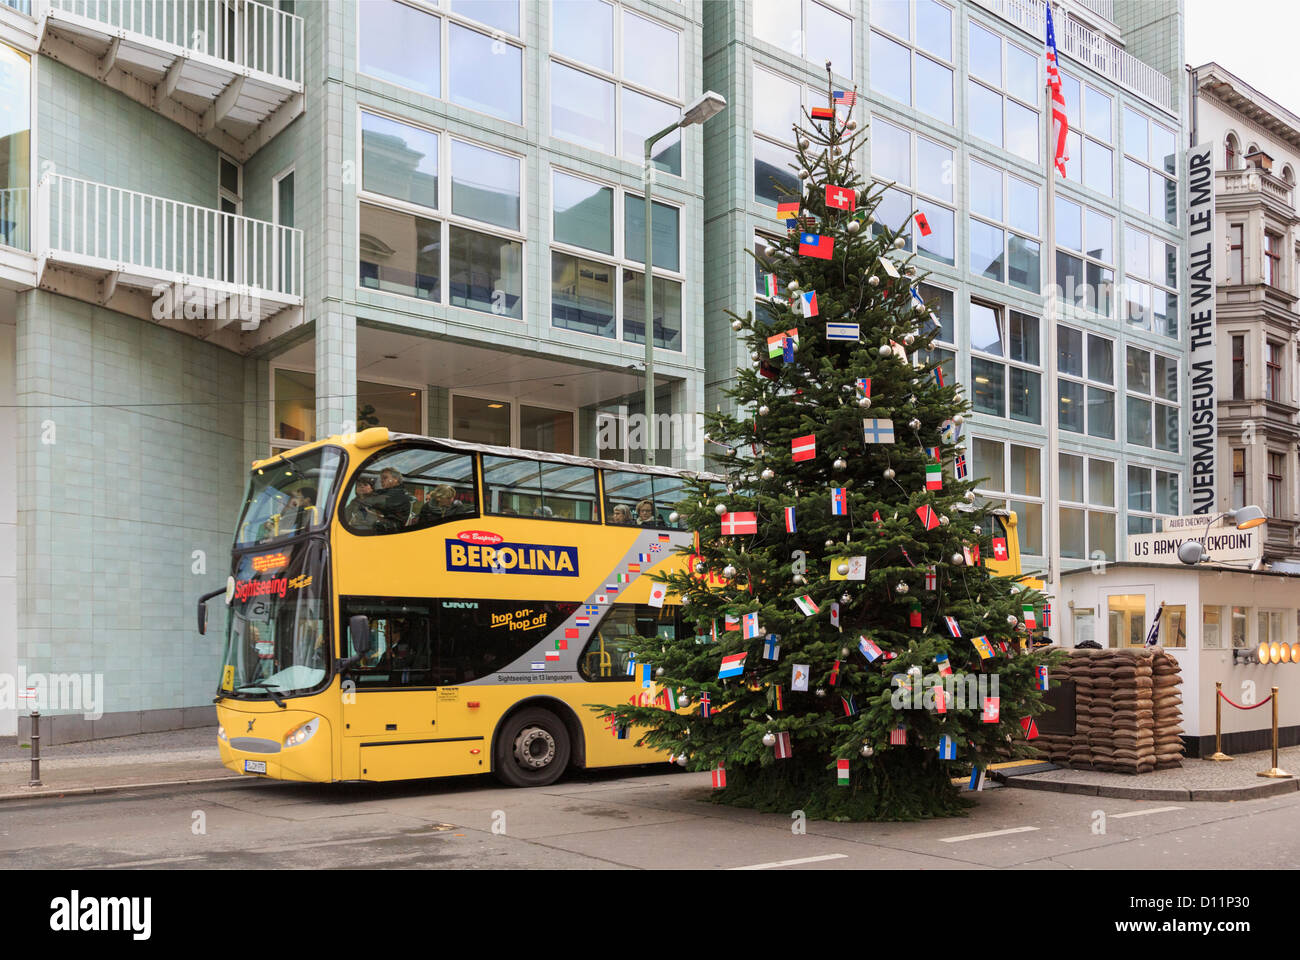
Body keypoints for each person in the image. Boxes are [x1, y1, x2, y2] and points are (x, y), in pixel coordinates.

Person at [371, 467, 414, 532]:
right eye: (381, 478)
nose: (381, 480)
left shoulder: (399, 495)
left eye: (385, 478)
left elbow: (379, 503)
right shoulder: (384, 492)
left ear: (395, 479)